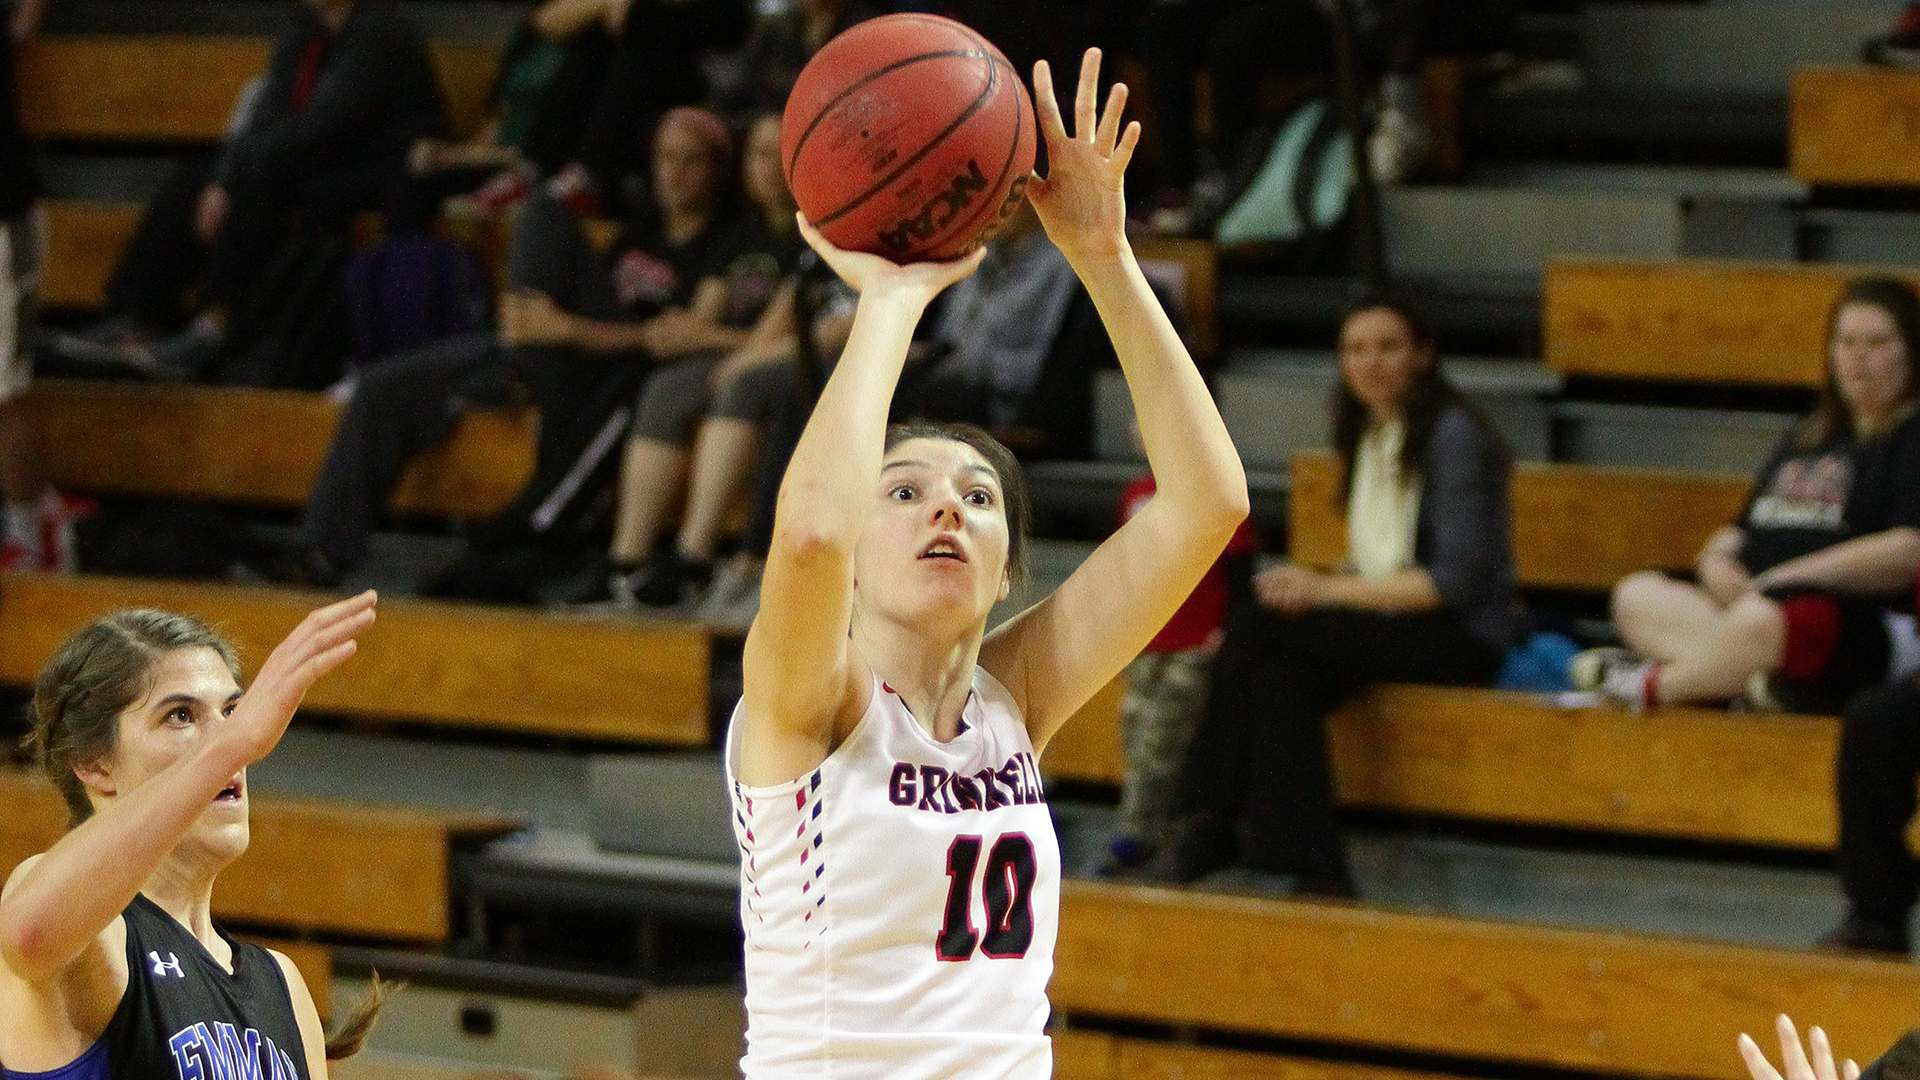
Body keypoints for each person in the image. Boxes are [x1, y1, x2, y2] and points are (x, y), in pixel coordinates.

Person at [727, 48, 1247, 1078]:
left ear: (1010, 567)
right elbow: (810, 533)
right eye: (906, 491)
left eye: (978, 499)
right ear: (860, 560)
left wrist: (1104, 258)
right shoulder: (806, 704)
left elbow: (1207, 504)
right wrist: (890, 298)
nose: (947, 513)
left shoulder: (1015, 697)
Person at [258, 107, 745, 586]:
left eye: (691, 160)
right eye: (665, 158)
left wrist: (567, 330)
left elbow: (670, 342)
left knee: (542, 213)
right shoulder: (640, 233)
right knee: (385, 385)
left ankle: (516, 364)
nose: (674, 173)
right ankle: (320, 551)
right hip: (547, 349)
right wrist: (542, 327)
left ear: (718, 171)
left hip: (606, 370)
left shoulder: (720, 246)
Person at [1154, 299, 1515, 896]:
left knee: (1257, 629)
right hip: (1396, 617)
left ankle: (1207, 818)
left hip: (1462, 633)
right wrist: (1312, 583)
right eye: (1355, 349)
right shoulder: (1369, 431)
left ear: (1423, 355)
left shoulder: (1455, 437)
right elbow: (1377, 560)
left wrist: (1322, 589)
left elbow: (1455, 583)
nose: (1370, 363)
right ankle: (1314, 868)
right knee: (1277, 672)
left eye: (1388, 347)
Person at [0, 593, 380, 1078]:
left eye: (232, 712)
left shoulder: (281, 985)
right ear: (94, 764)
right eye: (180, 715)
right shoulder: (97, 939)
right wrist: (227, 746)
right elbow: (28, 932)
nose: (236, 739)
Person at [1574, 278, 1920, 713]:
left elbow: (1908, 549)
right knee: (1636, 595)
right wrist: (1715, 561)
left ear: (1911, 351)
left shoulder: (1910, 437)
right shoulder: (1811, 434)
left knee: (1764, 623)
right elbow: (1742, 527)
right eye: (1846, 342)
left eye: (1877, 342)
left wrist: (1791, 578)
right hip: (1755, 602)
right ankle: (1752, 682)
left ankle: (1650, 685)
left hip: (1846, 614)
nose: (1859, 358)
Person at [591, 110, 806, 608]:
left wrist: (721, 346)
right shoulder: (739, 235)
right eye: (757, 153)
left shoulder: (810, 235)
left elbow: (795, 333)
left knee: (739, 383)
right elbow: (701, 320)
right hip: (732, 352)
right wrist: (691, 335)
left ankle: (694, 557)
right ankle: (628, 559)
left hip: (773, 362)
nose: (769, 167)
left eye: (780, 154)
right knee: (666, 386)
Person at [1092, 432, 1259, 877]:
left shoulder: (1218, 489)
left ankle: (1137, 834)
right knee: (1136, 732)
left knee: (1164, 738)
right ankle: (1154, 828)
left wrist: (1226, 632)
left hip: (1195, 643)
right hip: (1147, 640)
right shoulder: (1136, 493)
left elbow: (1240, 571)